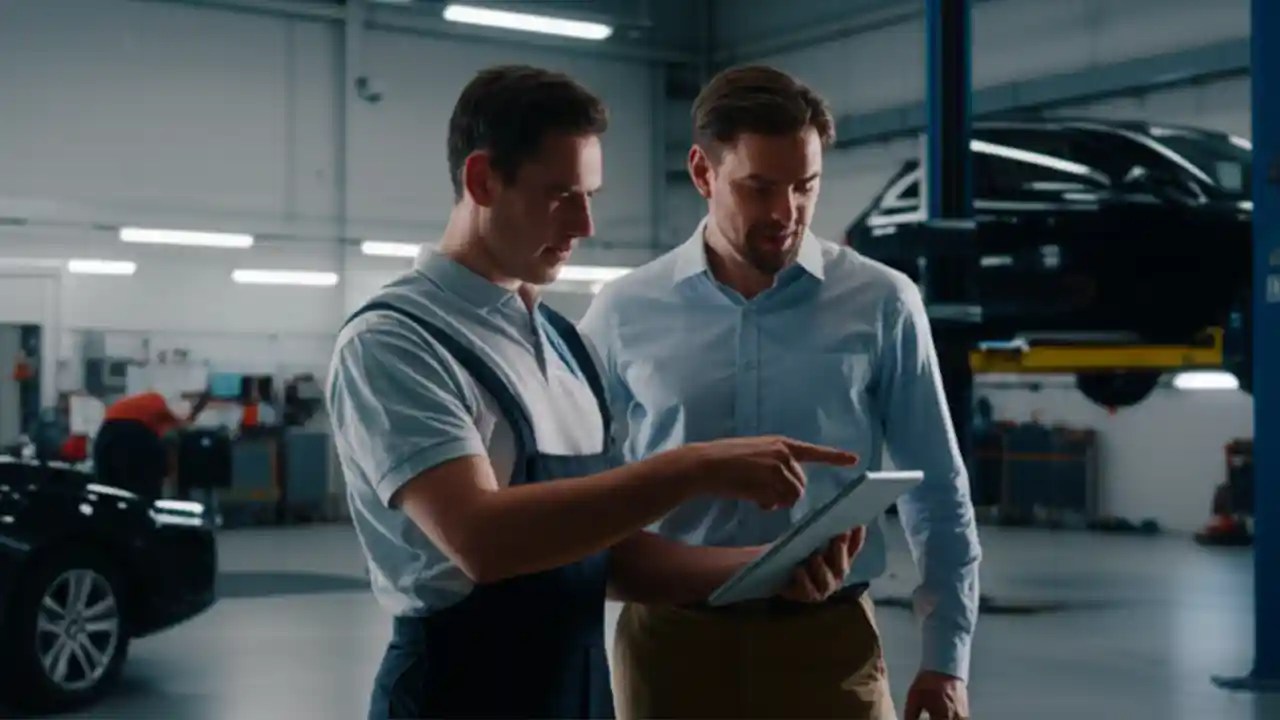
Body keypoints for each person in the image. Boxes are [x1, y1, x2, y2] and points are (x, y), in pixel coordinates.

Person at [324, 64, 865, 720]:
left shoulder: (561, 343)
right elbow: (481, 538)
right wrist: (692, 468)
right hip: (458, 693)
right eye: (560, 195)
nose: (584, 224)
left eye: (590, 195)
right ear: (481, 180)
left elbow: (609, 555)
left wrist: (773, 565)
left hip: (577, 690)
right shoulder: (397, 342)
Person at [579, 64, 983, 720]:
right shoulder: (624, 311)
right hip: (671, 646)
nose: (784, 214)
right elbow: (581, 489)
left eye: (805, 186)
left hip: (831, 645)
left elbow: (938, 491)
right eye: (758, 187)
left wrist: (946, 661)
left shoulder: (883, 302)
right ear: (703, 173)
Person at [93, 389, 210, 496]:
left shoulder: (144, 403)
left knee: (108, 487)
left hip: (106, 432)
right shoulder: (164, 408)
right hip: (131, 434)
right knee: (144, 487)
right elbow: (179, 428)